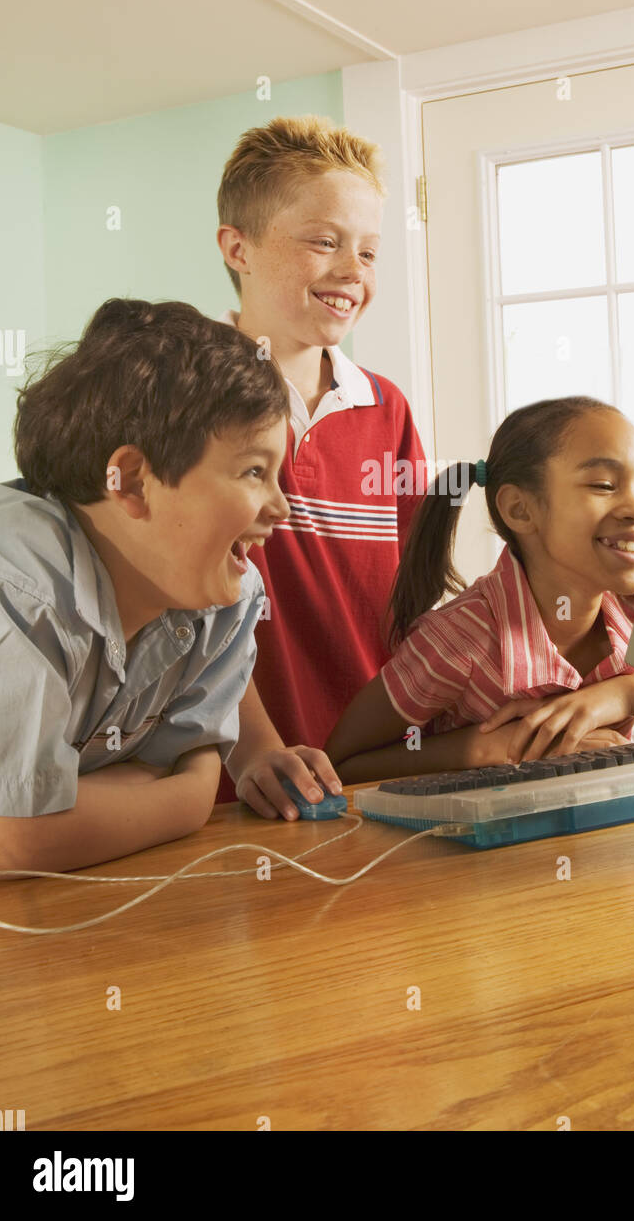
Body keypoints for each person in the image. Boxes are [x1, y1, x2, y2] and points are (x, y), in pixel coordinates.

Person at [325, 396, 634, 782]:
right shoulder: (463, 638)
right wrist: (481, 749)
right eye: (604, 485)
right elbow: (342, 763)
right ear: (521, 510)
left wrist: (631, 694)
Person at [0, 299, 301, 874]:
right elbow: (7, 842)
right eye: (255, 471)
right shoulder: (16, 592)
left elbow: (171, 765)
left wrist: (80, 809)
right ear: (130, 480)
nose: (282, 507)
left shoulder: (224, 604)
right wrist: (186, 802)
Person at [215, 115, 427, 819]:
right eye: (324, 241)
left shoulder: (387, 411)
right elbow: (173, 606)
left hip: (367, 774)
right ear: (237, 247)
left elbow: (414, 604)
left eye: (368, 252)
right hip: (233, 782)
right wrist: (253, 746)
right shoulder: (185, 397)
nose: (351, 272)